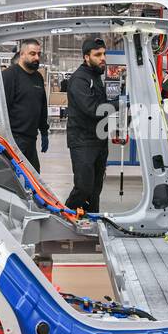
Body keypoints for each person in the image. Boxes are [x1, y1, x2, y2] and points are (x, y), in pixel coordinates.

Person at [65, 36, 111, 213]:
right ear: (86, 57)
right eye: (97, 54)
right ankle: (64, 217)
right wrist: (121, 103)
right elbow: (93, 109)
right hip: (83, 141)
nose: (102, 58)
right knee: (83, 187)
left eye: (104, 54)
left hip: (99, 140)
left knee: (95, 190)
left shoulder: (95, 77)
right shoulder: (80, 79)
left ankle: (92, 221)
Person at [1, 38, 49, 170]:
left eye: (38, 54)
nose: (37, 57)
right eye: (32, 54)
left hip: (31, 139)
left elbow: (42, 106)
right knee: (16, 179)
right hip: (14, 139)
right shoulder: (10, 75)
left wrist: (44, 131)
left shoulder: (38, 77)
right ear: (22, 54)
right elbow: (3, 107)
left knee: (34, 179)